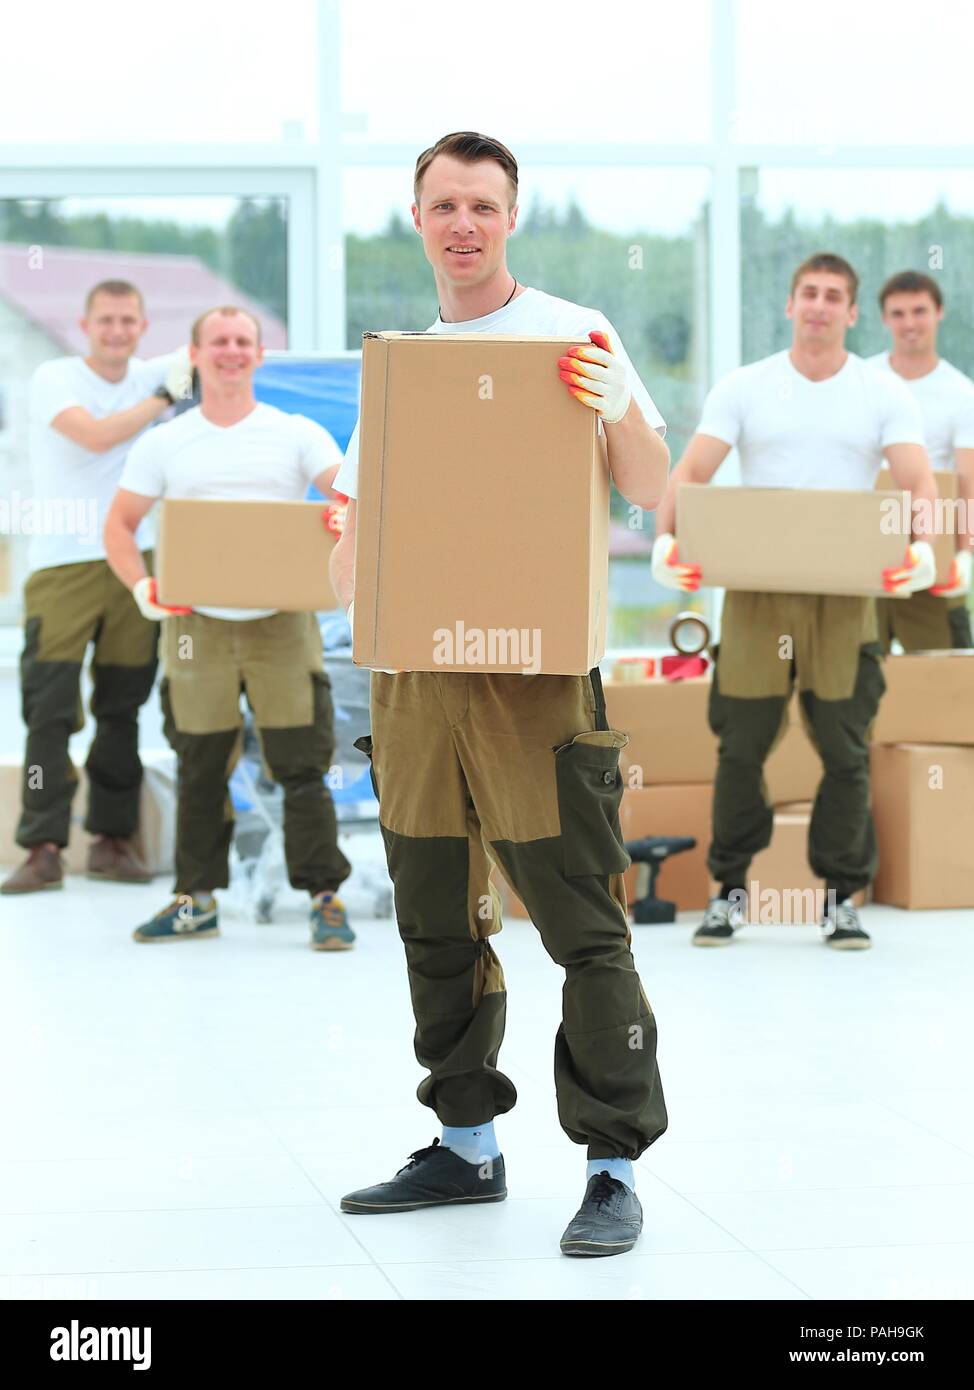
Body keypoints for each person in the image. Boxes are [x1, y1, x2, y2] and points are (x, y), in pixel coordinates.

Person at [329, 132, 670, 1258]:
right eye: (442, 205)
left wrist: (616, 397)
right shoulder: (403, 365)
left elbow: (650, 491)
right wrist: (347, 551)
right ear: (416, 219)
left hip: (533, 680)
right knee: (436, 912)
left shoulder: (567, 333)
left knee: (579, 917)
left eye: (482, 203)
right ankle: (464, 1143)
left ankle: (612, 1164)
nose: (462, 223)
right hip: (418, 680)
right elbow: (355, 536)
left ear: (509, 216)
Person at [652, 253, 938, 951]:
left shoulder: (881, 393)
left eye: (833, 295)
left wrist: (924, 549)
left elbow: (918, 483)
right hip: (755, 596)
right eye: (808, 293)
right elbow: (690, 471)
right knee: (740, 747)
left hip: (844, 599)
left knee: (844, 750)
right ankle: (730, 894)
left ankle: (841, 900)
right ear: (789, 306)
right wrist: (666, 542)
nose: (818, 305)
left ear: (850, 313)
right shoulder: (747, 386)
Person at [104, 305, 354, 951]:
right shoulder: (165, 440)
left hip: (284, 628)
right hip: (195, 631)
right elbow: (120, 527)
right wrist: (142, 588)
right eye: (219, 342)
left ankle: (326, 898)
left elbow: (349, 498)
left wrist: (341, 517)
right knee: (199, 767)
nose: (232, 351)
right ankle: (195, 900)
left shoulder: (295, 433)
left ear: (259, 355)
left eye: (244, 341)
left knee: (303, 767)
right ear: (195, 355)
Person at [2, 280, 189, 896]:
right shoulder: (57, 376)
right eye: (105, 320)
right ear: (85, 325)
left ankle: (112, 842)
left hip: (135, 562)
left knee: (122, 709)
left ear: (141, 327)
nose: (116, 330)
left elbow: (224, 345)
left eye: (127, 320)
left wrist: (184, 371)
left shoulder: (155, 370)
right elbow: (97, 435)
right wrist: (166, 393)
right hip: (61, 566)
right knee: (48, 711)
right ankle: (42, 847)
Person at [868, 270, 974, 651]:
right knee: (855, 677)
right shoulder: (863, 380)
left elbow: (968, 481)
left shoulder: (961, 394)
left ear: (939, 313)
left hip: (934, 554)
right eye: (898, 314)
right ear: (884, 319)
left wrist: (965, 554)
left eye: (919, 311)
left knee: (946, 677)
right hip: (865, 552)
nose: (909, 323)